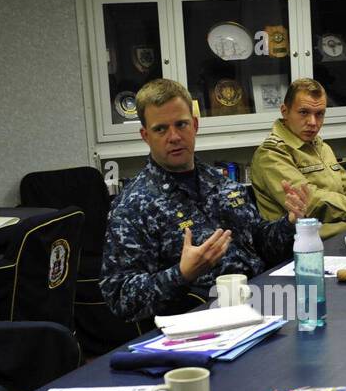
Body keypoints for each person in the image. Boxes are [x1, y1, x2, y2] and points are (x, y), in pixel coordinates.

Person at [101, 79, 309, 321]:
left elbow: (261, 243)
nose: (174, 136)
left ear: (195, 125)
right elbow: (119, 297)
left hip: (263, 303)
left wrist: (291, 223)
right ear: (145, 136)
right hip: (201, 322)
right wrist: (182, 273)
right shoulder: (133, 206)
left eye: (181, 124)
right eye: (161, 129)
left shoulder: (221, 183)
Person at [251, 78, 346, 238]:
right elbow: (311, 202)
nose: (313, 122)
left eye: (320, 114)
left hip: (345, 234)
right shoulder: (271, 153)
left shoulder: (320, 146)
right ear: (285, 111)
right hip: (305, 246)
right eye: (304, 112)